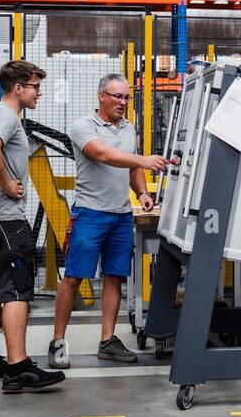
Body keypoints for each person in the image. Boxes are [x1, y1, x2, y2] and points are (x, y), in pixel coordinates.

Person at [48, 73, 169, 368]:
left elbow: (130, 166)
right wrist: (143, 160)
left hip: (121, 215)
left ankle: (107, 340)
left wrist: (141, 192)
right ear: (101, 96)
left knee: (115, 277)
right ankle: (58, 341)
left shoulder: (129, 129)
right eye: (117, 96)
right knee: (75, 277)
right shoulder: (83, 127)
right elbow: (102, 154)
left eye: (127, 97)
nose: (123, 103)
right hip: (90, 213)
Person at [0, 59, 66, 393]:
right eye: (35, 86)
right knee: (16, 289)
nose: (39, 92)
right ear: (18, 88)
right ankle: (17, 366)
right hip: (6, 218)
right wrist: (8, 184)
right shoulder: (8, 116)